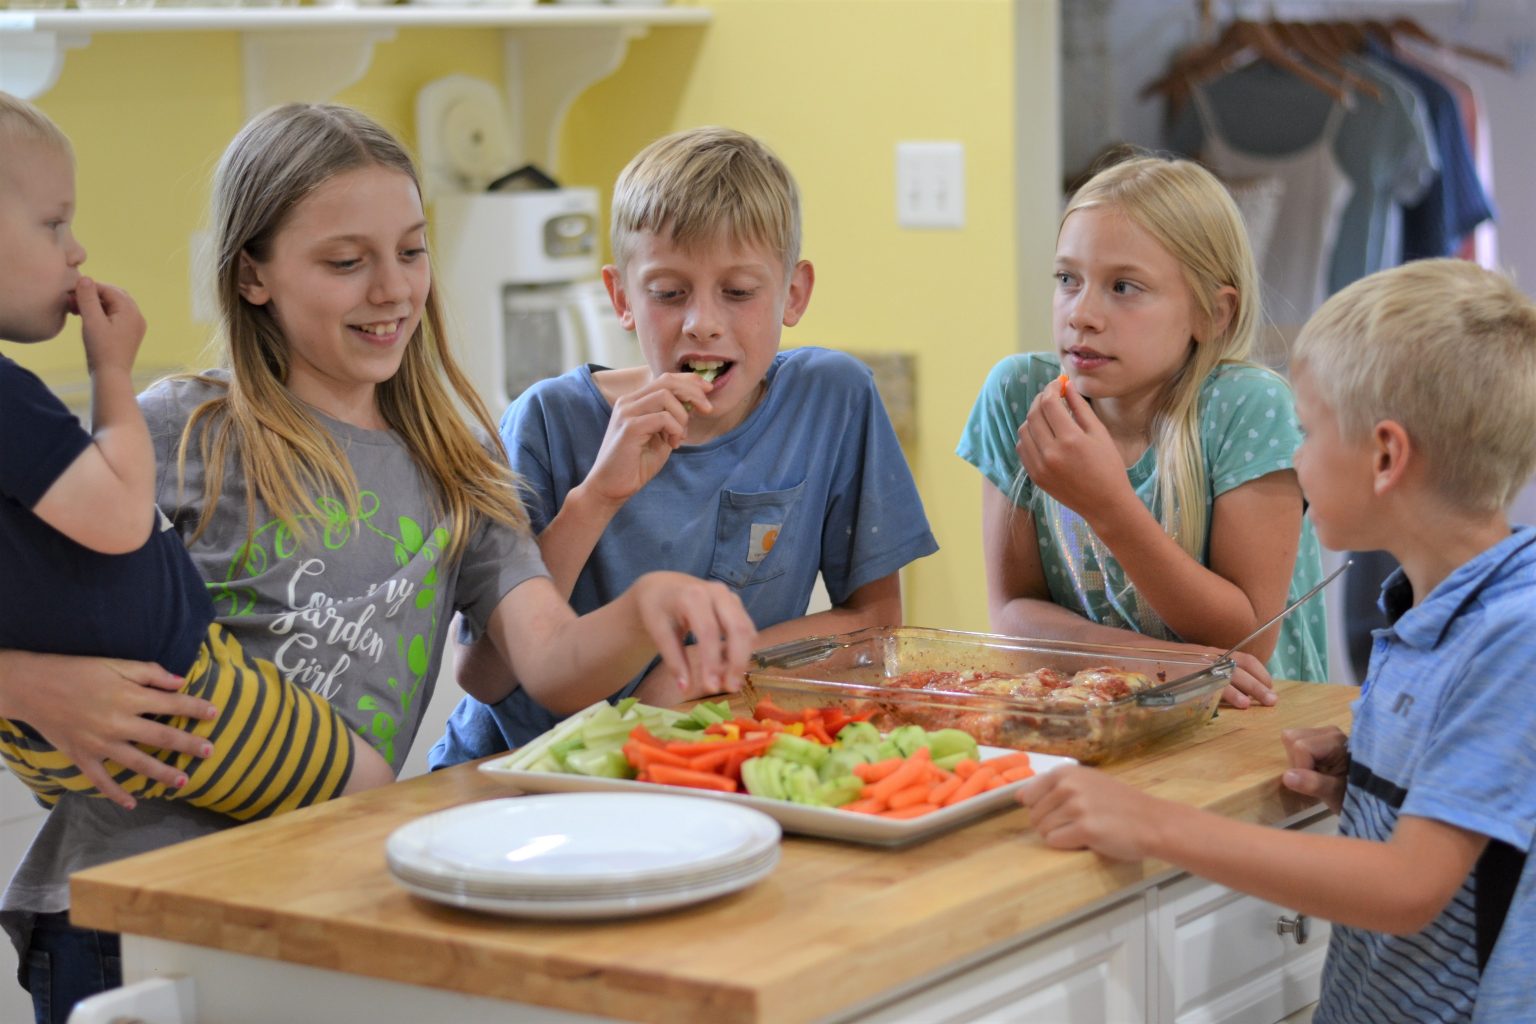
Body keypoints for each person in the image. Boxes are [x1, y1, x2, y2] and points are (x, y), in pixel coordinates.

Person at [0, 102, 757, 1024]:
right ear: (252, 275)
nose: (393, 290)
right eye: (345, 262)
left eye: (411, 250)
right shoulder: (177, 428)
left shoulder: (458, 461)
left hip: (331, 909)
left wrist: (645, 600)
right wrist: (26, 685)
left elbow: (547, 665)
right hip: (129, 916)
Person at [1019, 259, 1536, 1023]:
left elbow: (1407, 889)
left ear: (1387, 456)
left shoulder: (1512, 635)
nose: (1294, 458)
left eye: (1308, 430)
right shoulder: (1439, 611)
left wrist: (1151, 822)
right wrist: (1367, 784)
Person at [429, 126, 937, 764]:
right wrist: (596, 498)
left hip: (698, 764)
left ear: (794, 293)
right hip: (514, 773)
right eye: (669, 293)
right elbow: (483, 675)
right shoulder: (547, 423)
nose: (703, 321)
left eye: (739, 292)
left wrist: (701, 667)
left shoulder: (832, 399)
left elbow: (876, 624)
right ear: (622, 299)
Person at [0, 91, 397, 825]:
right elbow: (120, 519)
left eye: (411, 249)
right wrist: (111, 372)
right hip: (177, 690)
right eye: (54, 223)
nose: (76, 249)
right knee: (374, 797)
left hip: (46, 728)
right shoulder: (11, 396)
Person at [956, 154, 1327, 706]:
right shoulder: (1016, 395)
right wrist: (1149, 662)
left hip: (1244, 723)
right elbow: (1012, 617)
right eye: (1067, 279)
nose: (1082, 314)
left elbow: (1247, 637)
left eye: (1124, 287)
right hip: (1094, 712)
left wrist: (1109, 506)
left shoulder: (1247, 408)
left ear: (1214, 314)